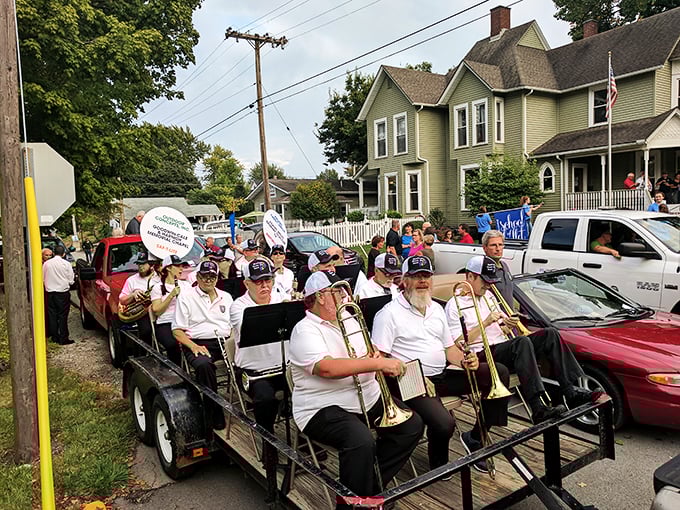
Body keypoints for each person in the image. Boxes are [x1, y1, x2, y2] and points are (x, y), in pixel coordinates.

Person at [288, 271, 423, 507]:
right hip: (323, 405)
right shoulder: (304, 330)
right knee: (361, 441)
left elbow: (367, 351)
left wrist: (375, 355)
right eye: (338, 291)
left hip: (366, 397)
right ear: (321, 296)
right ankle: (355, 501)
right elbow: (326, 368)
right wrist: (377, 363)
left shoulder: (349, 318)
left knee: (412, 425)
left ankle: (369, 489)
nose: (345, 296)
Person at [372, 255, 509, 473]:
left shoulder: (435, 308)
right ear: (404, 281)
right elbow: (380, 358)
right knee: (444, 423)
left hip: (441, 374)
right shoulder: (388, 314)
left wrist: (465, 361)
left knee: (497, 373)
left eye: (426, 276)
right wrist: (411, 375)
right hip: (409, 380)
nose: (423, 281)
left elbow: (448, 349)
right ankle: (438, 465)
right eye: (416, 277)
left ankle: (477, 437)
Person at [445, 256, 594, 424]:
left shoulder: (489, 296)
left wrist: (508, 325)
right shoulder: (454, 304)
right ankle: (537, 407)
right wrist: (485, 322)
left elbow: (501, 329)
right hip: (479, 354)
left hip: (501, 346)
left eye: (490, 281)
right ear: (470, 276)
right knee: (521, 343)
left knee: (550, 334)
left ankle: (571, 391)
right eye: (484, 280)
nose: (488, 285)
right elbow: (458, 342)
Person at [173, 260, 233, 430]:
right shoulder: (186, 297)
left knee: (248, 357)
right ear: (197, 277)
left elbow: (235, 324)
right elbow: (177, 331)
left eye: (212, 276)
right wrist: (193, 347)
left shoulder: (226, 297)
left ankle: (249, 401)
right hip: (197, 341)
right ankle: (213, 412)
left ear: (217, 278)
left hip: (225, 340)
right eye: (204, 276)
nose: (208, 280)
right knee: (204, 365)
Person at [231, 259, 286, 433]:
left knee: (311, 388)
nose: (264, 286)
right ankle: (268, 442)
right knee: (264, 398)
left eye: (268, 280)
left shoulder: (281, 298)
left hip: (283, 367)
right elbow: (253, 330)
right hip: (254, 372)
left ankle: (305, 439)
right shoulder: (238, 307)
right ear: (247, 284)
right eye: (257, 281)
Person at [150, 255, 189, 365]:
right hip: (166, 322)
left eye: (182, 266)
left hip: (184, 320)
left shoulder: (186, 285)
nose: (181, 269)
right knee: (173, 344)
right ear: (168, 268)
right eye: (177, 266)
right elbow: (157, 310)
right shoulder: (158, 287)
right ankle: (176, 371)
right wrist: (171, 295)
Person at [119, 252, 156, 345]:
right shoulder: (131, 280)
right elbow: (122, 300)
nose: (140, 266)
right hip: (143, 313)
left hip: (159, 310)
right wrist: (133, 294)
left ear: (151, 265)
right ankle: (146, 352)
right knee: (146, 331)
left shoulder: (158, 277)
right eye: (139, 263)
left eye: (143, 263)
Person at [43, 245, 75, 345]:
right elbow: (71, 280)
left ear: (53, 253)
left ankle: (54, 337)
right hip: (62, 292)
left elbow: (43, 277)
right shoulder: (66, 264)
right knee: (62, 316)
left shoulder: (46, 264)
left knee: (52, 315)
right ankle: (63, 337)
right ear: (64, 253)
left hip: (50, 293)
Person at [481, 230, 515, 307]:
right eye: (493, 245)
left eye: (500, 245)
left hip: (509, 316)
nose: (498, 248)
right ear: (484, 248)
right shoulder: (482, 267)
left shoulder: (504, 265)